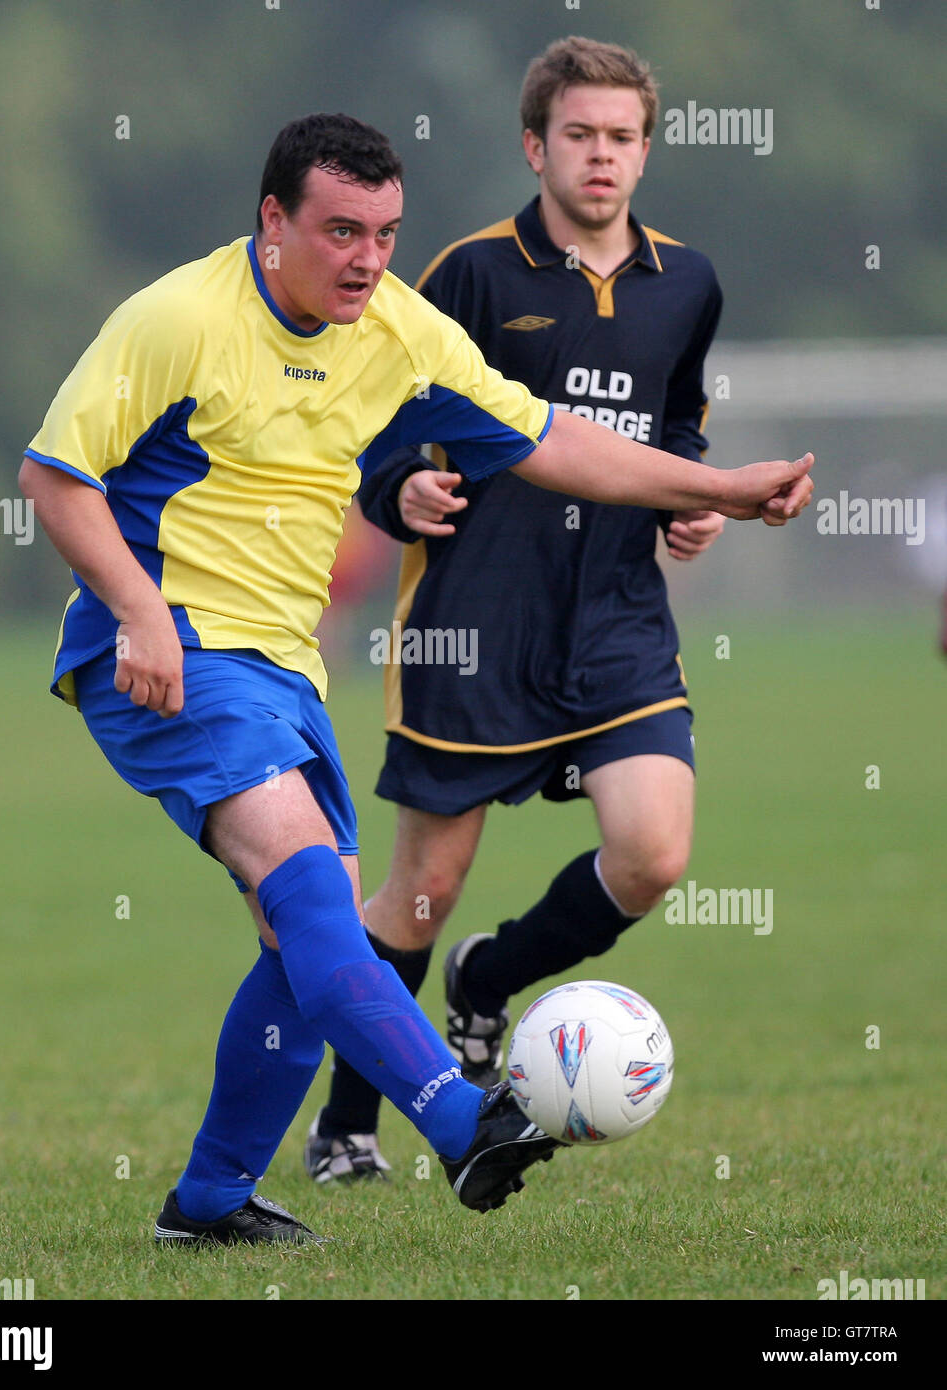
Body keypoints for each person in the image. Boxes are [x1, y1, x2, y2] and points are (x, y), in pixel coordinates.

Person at [19, 112, 812, 1244]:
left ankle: (208, 1203)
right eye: (341, 231)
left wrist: (720, 485)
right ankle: (456, 1116)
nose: (367, 259)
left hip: (280, 665)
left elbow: (548, 438)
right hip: (169, 652)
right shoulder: (178, 318)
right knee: (304, 884)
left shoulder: (398, 329)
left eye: (386, 233)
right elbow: (54, 478)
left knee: (309, 936)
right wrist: (141, 614)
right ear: (271, 221)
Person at [303, 40, 737, 1183]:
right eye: (580, 135)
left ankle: (489, 979)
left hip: (614, 625)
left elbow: (674, 432)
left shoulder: (686, 283)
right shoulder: (467, 275)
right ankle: (347, 1125)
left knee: (651, 853)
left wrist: (691, 503)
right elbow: (374, 430)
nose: (602, 157)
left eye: (623, 137)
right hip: (475, 622)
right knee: (419, 888)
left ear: (646, 149)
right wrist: (401, 487)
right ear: (534, 144)